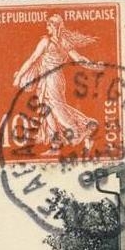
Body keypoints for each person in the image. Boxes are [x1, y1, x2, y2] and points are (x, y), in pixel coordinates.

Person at [12, 13, 102, 155]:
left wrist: (19, 77)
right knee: (47, 109)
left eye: (48, 24)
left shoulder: (46, 41)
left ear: (54, 26)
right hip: (55, 79)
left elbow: (32, 59)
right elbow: (79, 59)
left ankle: (80, 130)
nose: (46, 27)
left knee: (56, 108)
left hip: (51, 79)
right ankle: (56, 145)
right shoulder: (65, 43)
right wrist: (93, 66)